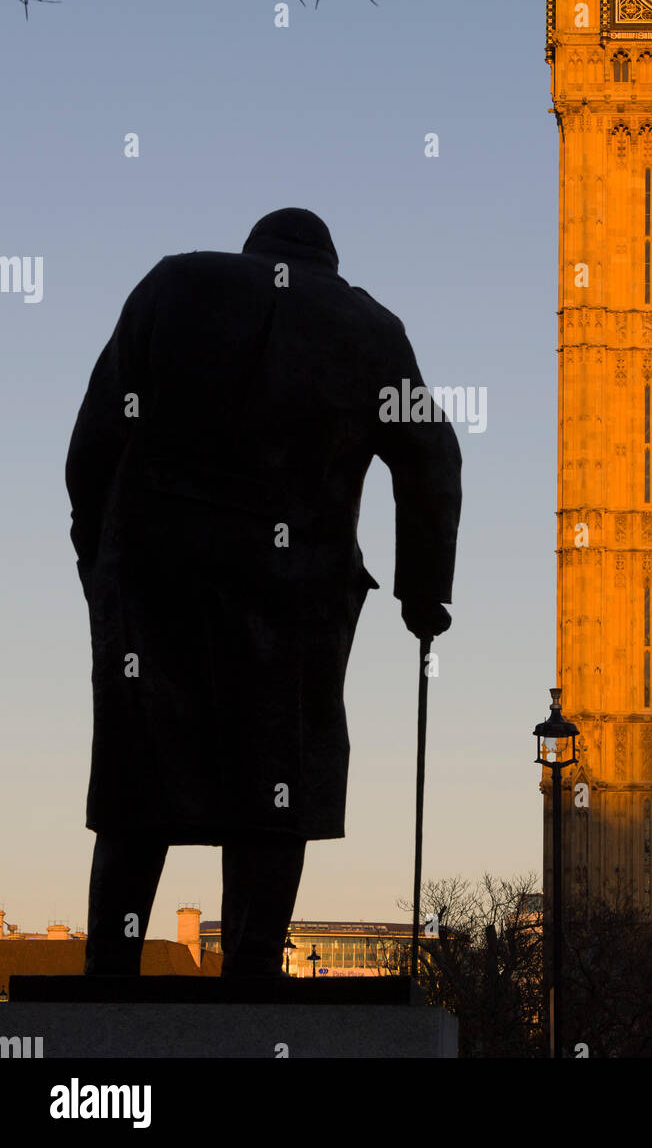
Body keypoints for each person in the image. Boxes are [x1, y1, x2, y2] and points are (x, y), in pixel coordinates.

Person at [65, 207, 461, 977]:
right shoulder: (369, 326)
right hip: (295, 586)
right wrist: (421, 591)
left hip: (156, 573)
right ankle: (251, 973)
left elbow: (96, 440)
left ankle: (108, 972)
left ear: (254, 249)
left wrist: (98, 562)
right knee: (280, 775)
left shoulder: (174, 282)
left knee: (140, 774)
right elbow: (431, 457)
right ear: (329, 263)